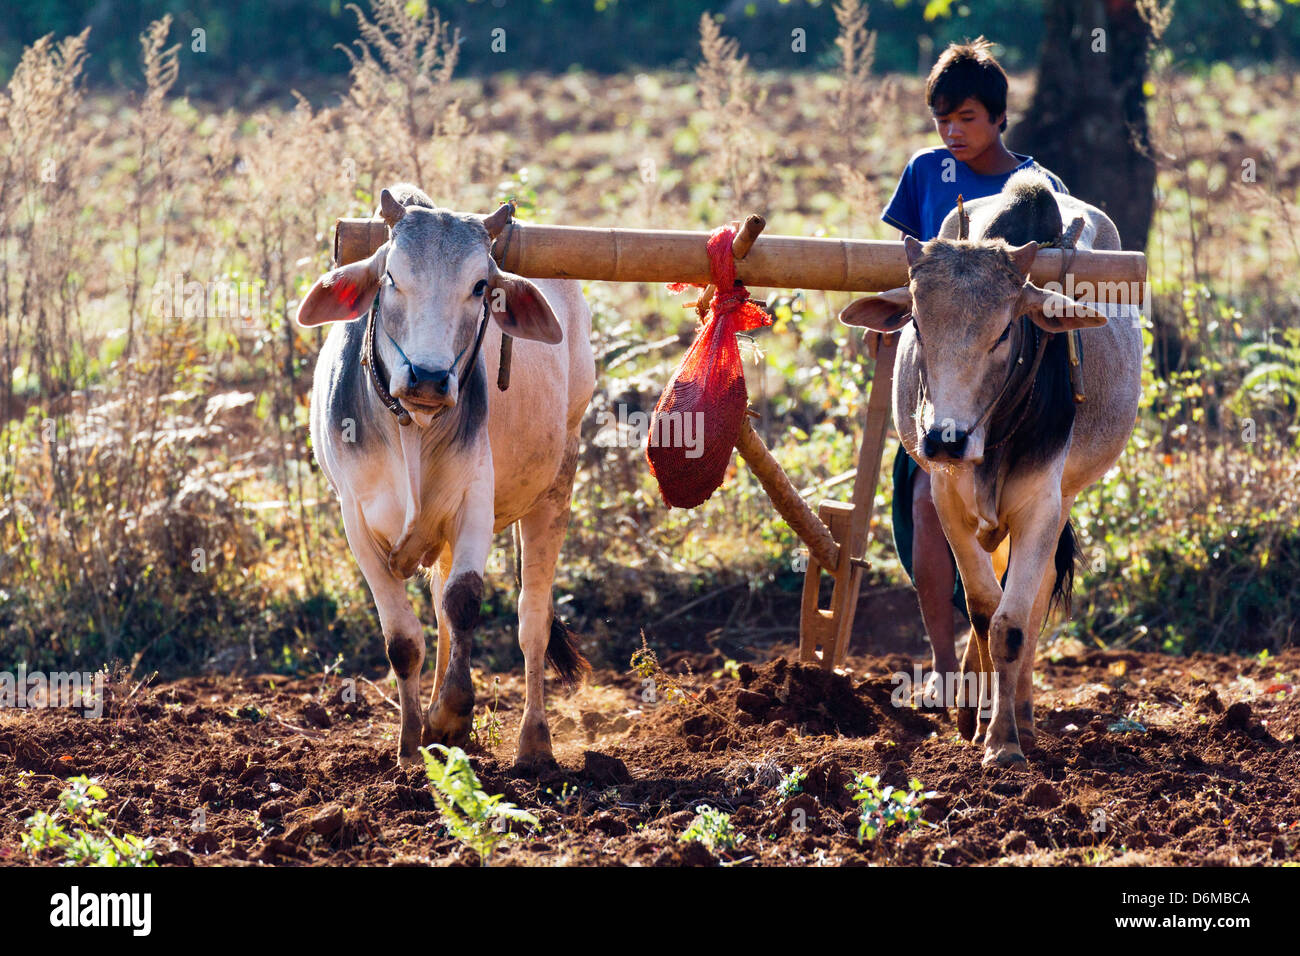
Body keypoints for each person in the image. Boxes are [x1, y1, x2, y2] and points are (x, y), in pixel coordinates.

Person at [874, 37, 1068, 701]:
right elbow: (899, 265)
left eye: (968, 119)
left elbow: (1056, 268)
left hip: (1013, 397)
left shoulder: (1037, 191)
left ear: (1000, 120)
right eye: (943, 119)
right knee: (930, 506)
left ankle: (1010, 679)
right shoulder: (925, 173)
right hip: (936, 383)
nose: (953, 133)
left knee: (1026, 528)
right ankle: (943, 666)